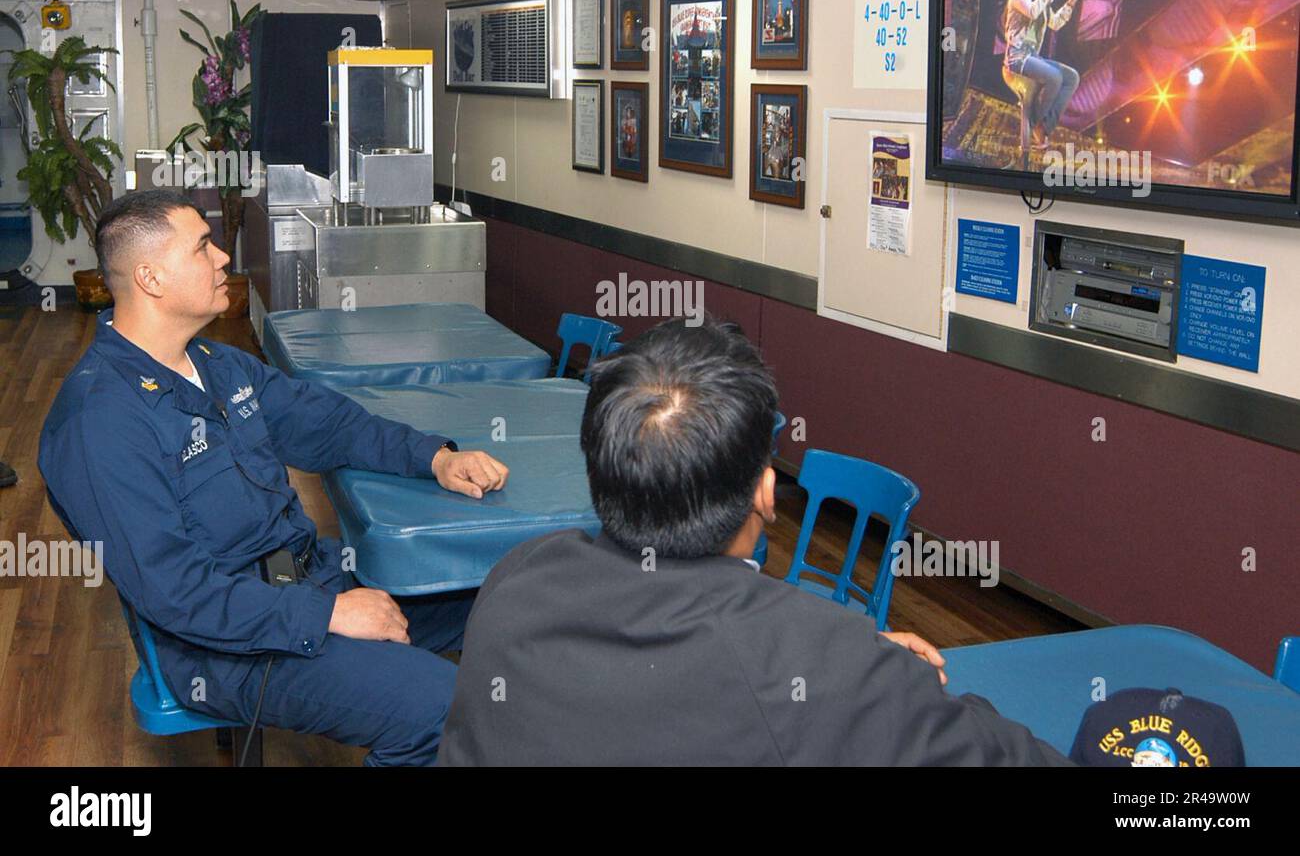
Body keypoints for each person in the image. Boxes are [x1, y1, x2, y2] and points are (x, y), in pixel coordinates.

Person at [438, 317, 1073, 766]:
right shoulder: (818, 667)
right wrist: (866, 673)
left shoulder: (514, 579)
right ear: (766, 493)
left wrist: (846, 662)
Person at [38, 189, 509, 766]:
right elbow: (176, 593)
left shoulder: (214, 365)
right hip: (221, 646)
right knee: (445, 709)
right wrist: (330, 615)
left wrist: (435, 457)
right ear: (151, 278)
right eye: (203, 247)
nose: (223, 260)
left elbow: (329, 425)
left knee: (507, 594)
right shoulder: (100, 422)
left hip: (305, 577)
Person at [1003, 0, 1092, 149]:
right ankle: (1033, 124)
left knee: (1071, 77)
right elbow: (1033, 12)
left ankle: (1043, 125)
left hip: (1032, 56)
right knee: (1054, 77)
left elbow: (1055, 23)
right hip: (1016, 58)